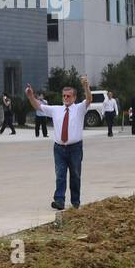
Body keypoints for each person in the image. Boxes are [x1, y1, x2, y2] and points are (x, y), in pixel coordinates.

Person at [26, 76, 92, 211]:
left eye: (68, 96)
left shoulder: (79, 108)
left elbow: (89, 100)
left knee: (75, 175)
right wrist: (31, 96)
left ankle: (75, 202)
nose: (66, 98)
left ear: (74, 97)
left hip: (75, 148)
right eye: (64, 96)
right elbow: (38, 106)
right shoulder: (56, 110)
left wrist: (86, 86)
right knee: (60, 175)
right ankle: (59, 200)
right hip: (59, 148)